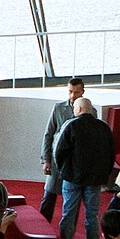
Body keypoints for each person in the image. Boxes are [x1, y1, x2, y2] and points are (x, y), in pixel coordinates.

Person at [56, 99, 117, 239]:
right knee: (92, 215)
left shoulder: (71, 126)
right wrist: (104, 173)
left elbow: (60, 152)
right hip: (95, 179)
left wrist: (64, 170)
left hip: (72, 178)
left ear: (80, 108)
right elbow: (111, 154)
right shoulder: (103, 128)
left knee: (68, 213)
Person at [38, 78, 86, 222]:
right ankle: (42, 228)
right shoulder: (58, 108)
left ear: (83, 92)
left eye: (76, 92)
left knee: (72, 200)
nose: (72, 96)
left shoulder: (90, 110)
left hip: (75, 163)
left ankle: (68, 231)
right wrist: (46, 160)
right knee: (49, 196)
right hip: (56, 159)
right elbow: (48, 134)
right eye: (70, 92)